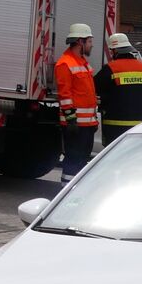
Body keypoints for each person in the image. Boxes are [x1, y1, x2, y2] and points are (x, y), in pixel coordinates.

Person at [93, 33, 142, 146]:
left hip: (115, 126)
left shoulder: (110, 68)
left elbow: (94, 87)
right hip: (140, 127)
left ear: (114, 51)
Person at [54, 23, 98, 182]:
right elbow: (64, 94)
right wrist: (71, 119)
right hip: (75, 125)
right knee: (73, 160)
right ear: (80, 41)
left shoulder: (82, 63)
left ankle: (75, 191)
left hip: (86, 125)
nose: (92, 44)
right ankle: (65, 191)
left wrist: (93, 120)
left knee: (82, 161)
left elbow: (87, 95)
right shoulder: (65, 63)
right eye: (90, 41)